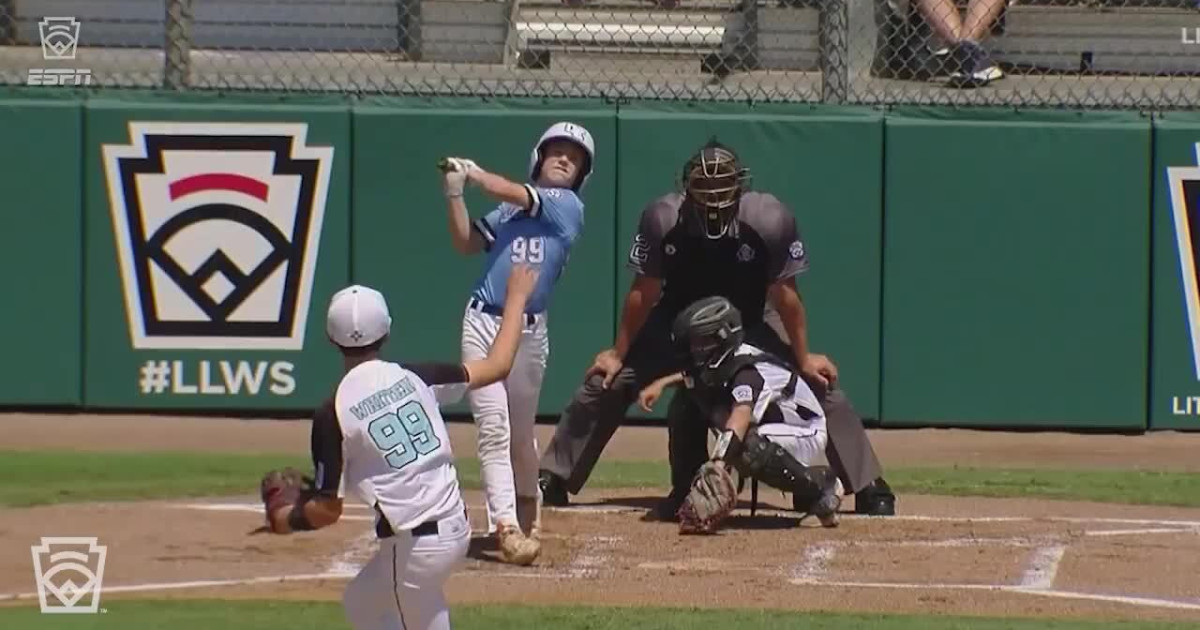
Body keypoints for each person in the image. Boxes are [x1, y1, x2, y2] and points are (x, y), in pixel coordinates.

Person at [537, 138, 896, 519]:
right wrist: (618, 353)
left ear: (741, 186)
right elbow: (644, 292)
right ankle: (554, 476)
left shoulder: (768, 219)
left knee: (816, 383)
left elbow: (786, 296)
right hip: (677, 320)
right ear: (686, 187)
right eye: (703, 186)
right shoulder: (663, 218)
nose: (712, 194)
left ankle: (868, 482)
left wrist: (803, 358)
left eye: (722, 185)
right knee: (605, 383)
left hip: (750, 319)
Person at [259, 264, 540, 630]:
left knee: (404, 607)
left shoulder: (333, 412)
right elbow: (498, 365)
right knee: (362, 603)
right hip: (455, 528)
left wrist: (287, 517)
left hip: (415, 549)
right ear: (387, 330)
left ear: (331, 338)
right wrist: (517, 297)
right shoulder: (416, 376)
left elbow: (328, 510)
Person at [439, 121, 595, 565]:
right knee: (493, 427)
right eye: (556, 151)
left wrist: (474, 173)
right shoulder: (509, 211)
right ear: (540, 157)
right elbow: (466, 242)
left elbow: (510, 191)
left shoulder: (567, 206)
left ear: (582, 171)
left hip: (529, 328)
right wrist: (454, 193)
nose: (564, 158)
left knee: (521, 434)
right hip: (483, 321)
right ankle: (505, 526)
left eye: (574, 155)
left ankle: (528, 505)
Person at [641, 295, 842, 529]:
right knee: (686, 401)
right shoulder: (725, 360)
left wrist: (718, 463)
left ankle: (822, 485)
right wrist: (662, 383)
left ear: (721, 339)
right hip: (771, 425)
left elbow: (741, 416)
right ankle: (685, 490)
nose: (695, 349)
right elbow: (695, 378)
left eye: (700, 343)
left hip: (803, 429)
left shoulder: (746, 370)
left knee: (747, 446)